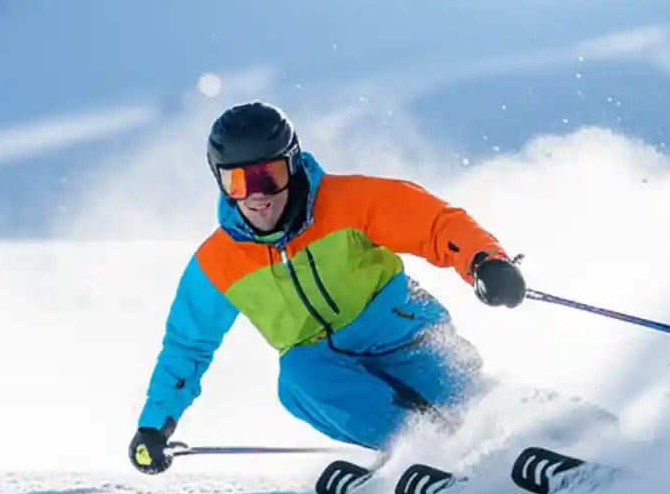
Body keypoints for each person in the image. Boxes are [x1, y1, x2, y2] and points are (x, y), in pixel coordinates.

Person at [129, 102, 527, 475]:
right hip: (329, 369)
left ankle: (563, 430)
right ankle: (423, 452)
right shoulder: (217, 264)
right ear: (220, 181)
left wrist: (485, 262)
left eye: (270, 176)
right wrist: (154, 426)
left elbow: (433, 223)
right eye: (238, 182)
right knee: (299, 378)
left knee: (474, 403)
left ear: (293, 164)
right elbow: (187, 347)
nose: (258, 195)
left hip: (407, 336)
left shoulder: (346, 202)